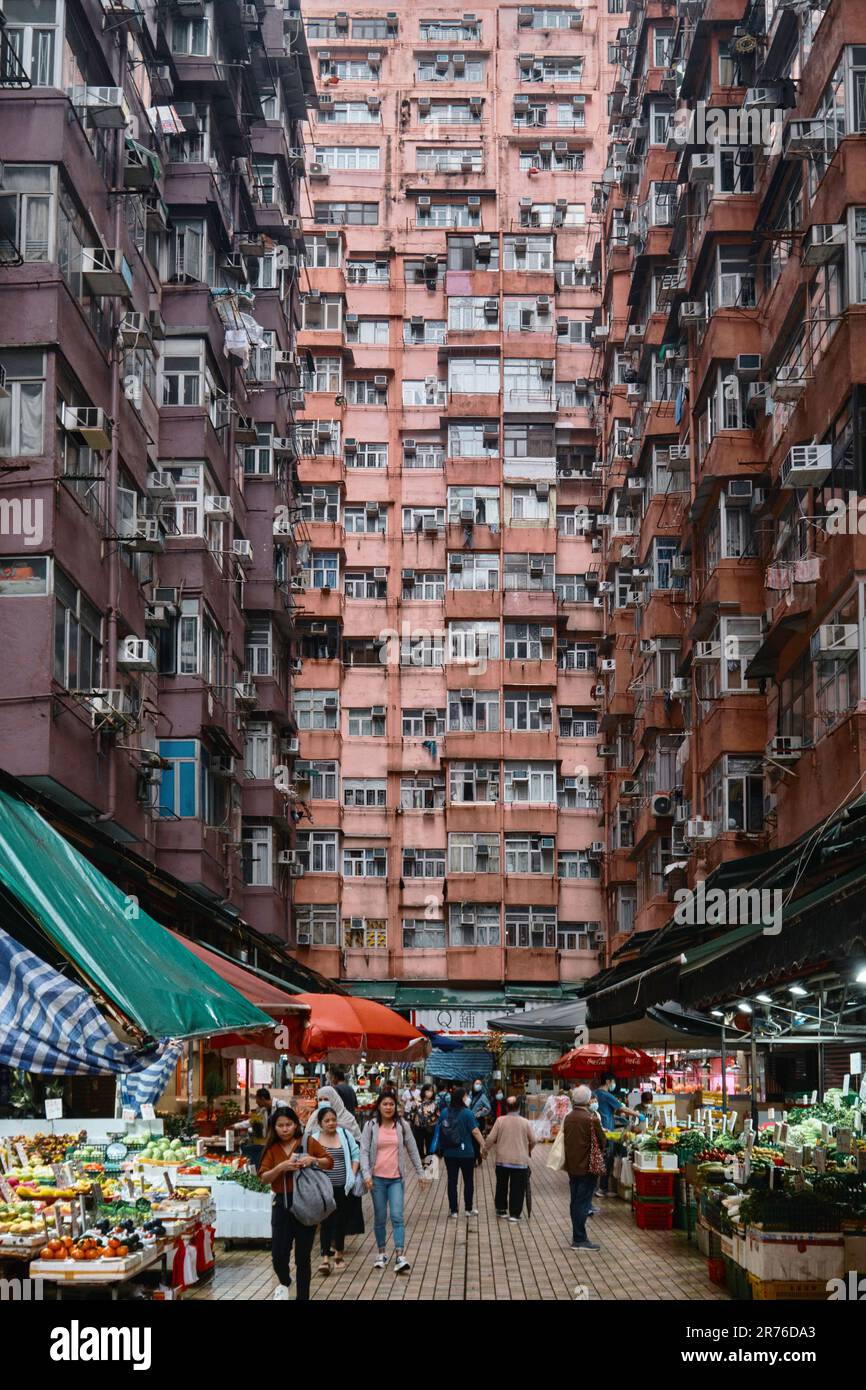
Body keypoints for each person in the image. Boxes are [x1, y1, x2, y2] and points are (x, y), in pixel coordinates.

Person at [258, 1107, 334, 1300]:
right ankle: (285, 1280)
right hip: (282, 1204)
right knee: (278, 1256)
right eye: (280, 1125)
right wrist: (281, 1167)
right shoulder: (272, 1149)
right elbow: (263, 1177)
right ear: (274, 1128)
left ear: (295, 1125)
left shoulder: (307, 1141)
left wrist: (313, 1160)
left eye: (288, 1124)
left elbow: (329, 1161)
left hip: (305, 1202)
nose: (285, 1129)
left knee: (303, 1258)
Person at [359, 1090, 425, 1273]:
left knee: (397, 1216)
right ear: (379, 1106)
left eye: (391, 1104)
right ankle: (381, 1252)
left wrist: (421, 1173)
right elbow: (363, 1151)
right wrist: (366, 1175)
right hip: (376, 1179)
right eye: (385, 1104)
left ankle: (400, 1255)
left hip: (396, 1179)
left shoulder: (402, 1125)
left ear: (396, 1106)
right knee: (380, 1218)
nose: (388, 1107)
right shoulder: (370, 1126)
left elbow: (412, 1149)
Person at [309, 1104, 360, 1276]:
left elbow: (355, 1154)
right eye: (327, 1121)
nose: (331, 1123)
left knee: (340, 1220)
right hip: (322, 1188)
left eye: (333, 1120)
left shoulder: (345, 1135)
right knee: (325, 1221)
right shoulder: (314, 1139)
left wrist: (352, 1175)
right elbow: (309, 1160)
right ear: (320, 1123)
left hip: (342, 1186)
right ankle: (325, 1258)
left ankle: (339, 1252)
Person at [563, 1086, 606, 1252]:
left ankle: (577, 1236)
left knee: (575, 1201)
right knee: (582, 1203)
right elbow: (602, 1141)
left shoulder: (568, 1117)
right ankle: (580, 1238)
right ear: (588, 1100)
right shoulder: (591, 1119)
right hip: (587, 1167)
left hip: (572, 1166)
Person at [485, 1096, 536, 1221]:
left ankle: (501, 1209)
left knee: (501, 1185)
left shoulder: (500, 1120)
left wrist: (485, 1150)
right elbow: (534, 1140)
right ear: (519, 1107)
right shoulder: (525, 1122)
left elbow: (490, 1138)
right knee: (517, 1188)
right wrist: (528, 1150)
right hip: (520, 1161)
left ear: (506, 1107)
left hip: (502, 1160)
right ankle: (514, 1214)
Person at [438, 1086, 486, 1217]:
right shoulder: (467, 1113)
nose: (468, 1098)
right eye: (466, 1096)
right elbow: (475, 1131)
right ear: (462, 1098)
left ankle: (453, 1211)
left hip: (449, 1153)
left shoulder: (444, 1112)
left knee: (452, 1181)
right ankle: (468, 1209)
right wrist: (484, 1146)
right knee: (468, 1180)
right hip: (466, 1153)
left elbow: (440, 1130)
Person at [593, 1074, 639, 1195]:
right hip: (607, 1131)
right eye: (613, 1082)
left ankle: (596, 1187)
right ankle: (602, 1188)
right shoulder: (607, 1095)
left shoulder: (595, 1093)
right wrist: (638, 1115)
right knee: (607, 1157)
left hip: (598, 1128)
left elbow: (607, 1110)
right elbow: (622, 1108)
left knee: (598, 1157)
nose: (614, 1085)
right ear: (608, 1081)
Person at [411, 1083, 439, 1162]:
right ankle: (422, 1158)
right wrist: (414, 1121)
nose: (430, 1092)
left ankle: (428, 1160)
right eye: (428, 1090)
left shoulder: (435, 1102)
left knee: (429, 1144)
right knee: (419, 1144)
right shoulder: (417, 1100)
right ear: (424, 1091)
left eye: (431, 1091)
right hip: (418, 1127)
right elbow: (412, 1112)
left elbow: (437, 1115)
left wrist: (433, 1122)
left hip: (430, 1127)